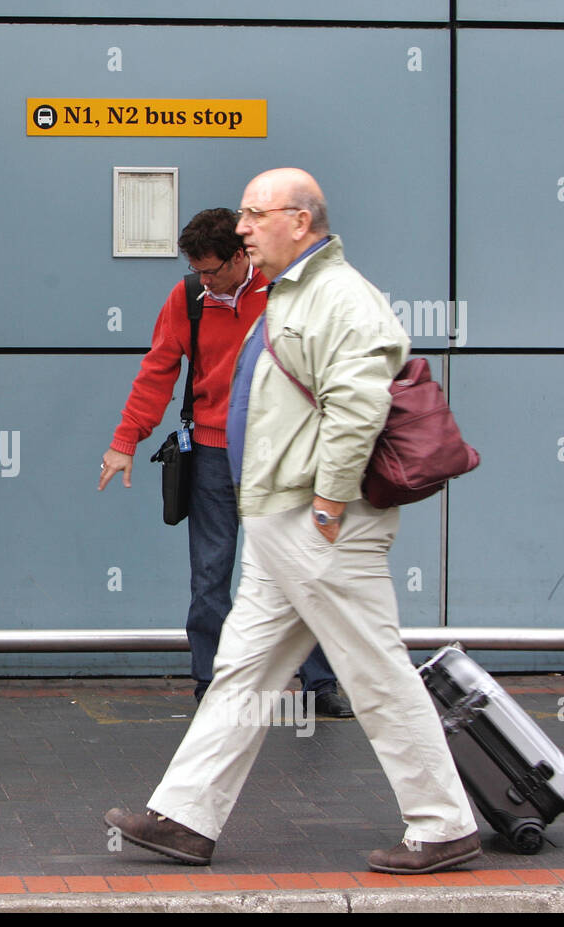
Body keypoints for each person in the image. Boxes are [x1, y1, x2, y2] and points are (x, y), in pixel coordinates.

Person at [104, 168, 482, 875]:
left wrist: (331, 502)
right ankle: (185, 816)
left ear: (299, 222)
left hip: (320, 524)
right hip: (284, 522)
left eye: (254, 214)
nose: (242, 227)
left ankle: (442, 824)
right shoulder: (295, 294)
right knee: (242, 675)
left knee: (374, 673)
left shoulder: (339, 298)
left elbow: (358, 407)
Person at [98, 208, 353, 717]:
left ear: (242, 255)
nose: (205, 281)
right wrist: (125, 440)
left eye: (212, 270)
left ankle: (320, 682)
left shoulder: (283, 291)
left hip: (280, 452)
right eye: (198, 271)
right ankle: (211, 684)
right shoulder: (188, 298)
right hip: (214, 452)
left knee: (302, 567)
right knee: (210, 572)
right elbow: (158, 371)